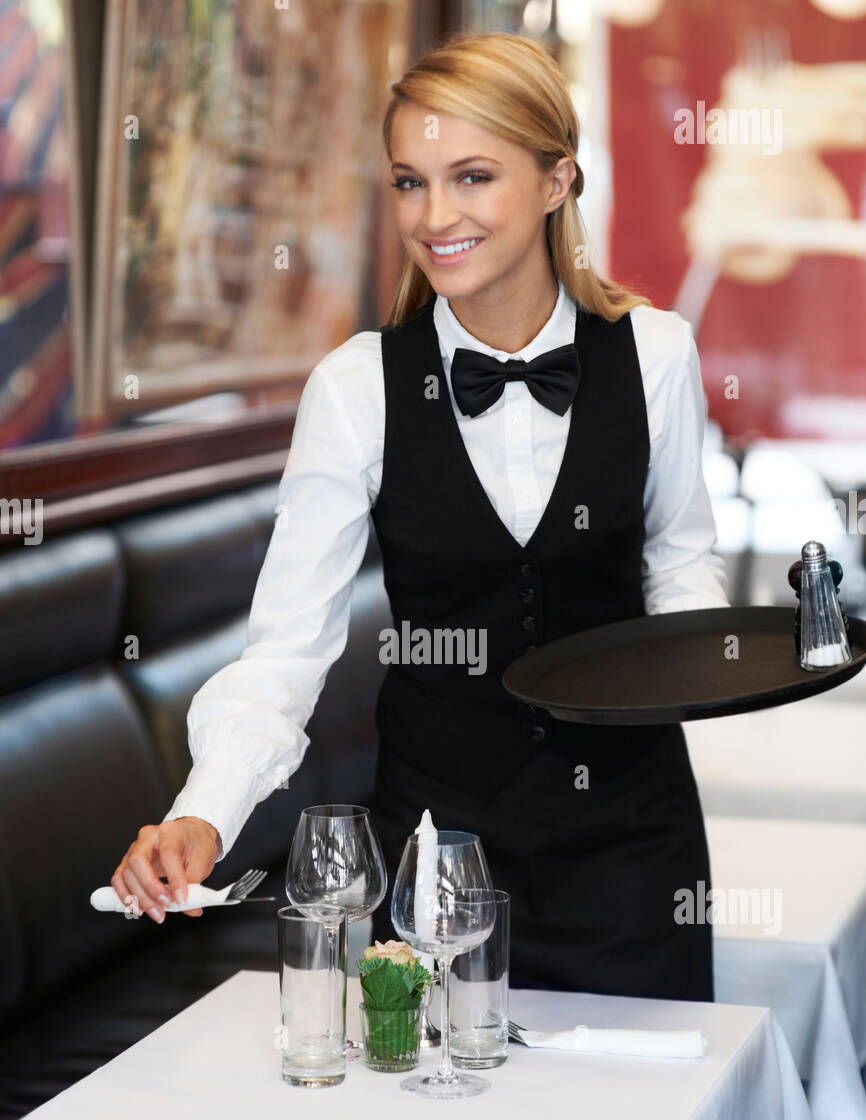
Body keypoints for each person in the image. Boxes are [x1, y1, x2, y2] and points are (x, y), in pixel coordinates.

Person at [111, 32, 729, 1001]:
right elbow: (284, 651)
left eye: (472, 177)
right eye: (409, 183)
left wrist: (696, 654)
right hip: (433, 864)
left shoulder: (655, 354)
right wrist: (203, 816)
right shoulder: (354, 389)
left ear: (557, 179)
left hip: (630, 855)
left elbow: (680, 560)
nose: (434, 216)